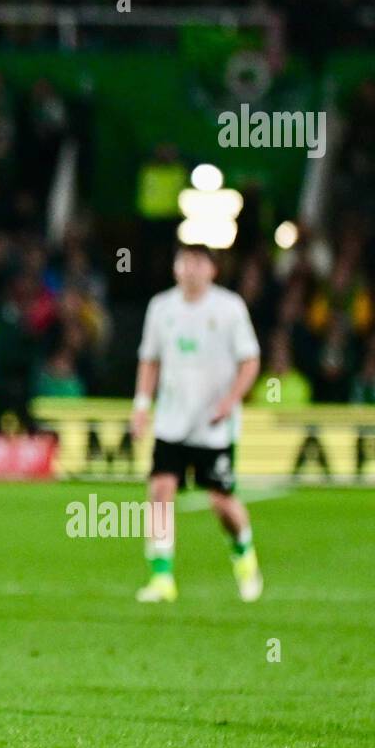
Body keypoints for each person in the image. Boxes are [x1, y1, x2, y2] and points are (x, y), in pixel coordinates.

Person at [129, 244, 263, 603]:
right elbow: (150, 360)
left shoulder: (229, 308)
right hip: (171, 421)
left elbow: (250, 361)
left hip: (213, 424)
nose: (190, 269)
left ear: (212, 270)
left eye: (198, 262)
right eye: (184, 261)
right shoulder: (161, 308)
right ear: (175, 268)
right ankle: (161, 578)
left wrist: (231, 400)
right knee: (160, 492)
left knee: (222, 503)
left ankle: (244, 553)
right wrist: (142, 406)